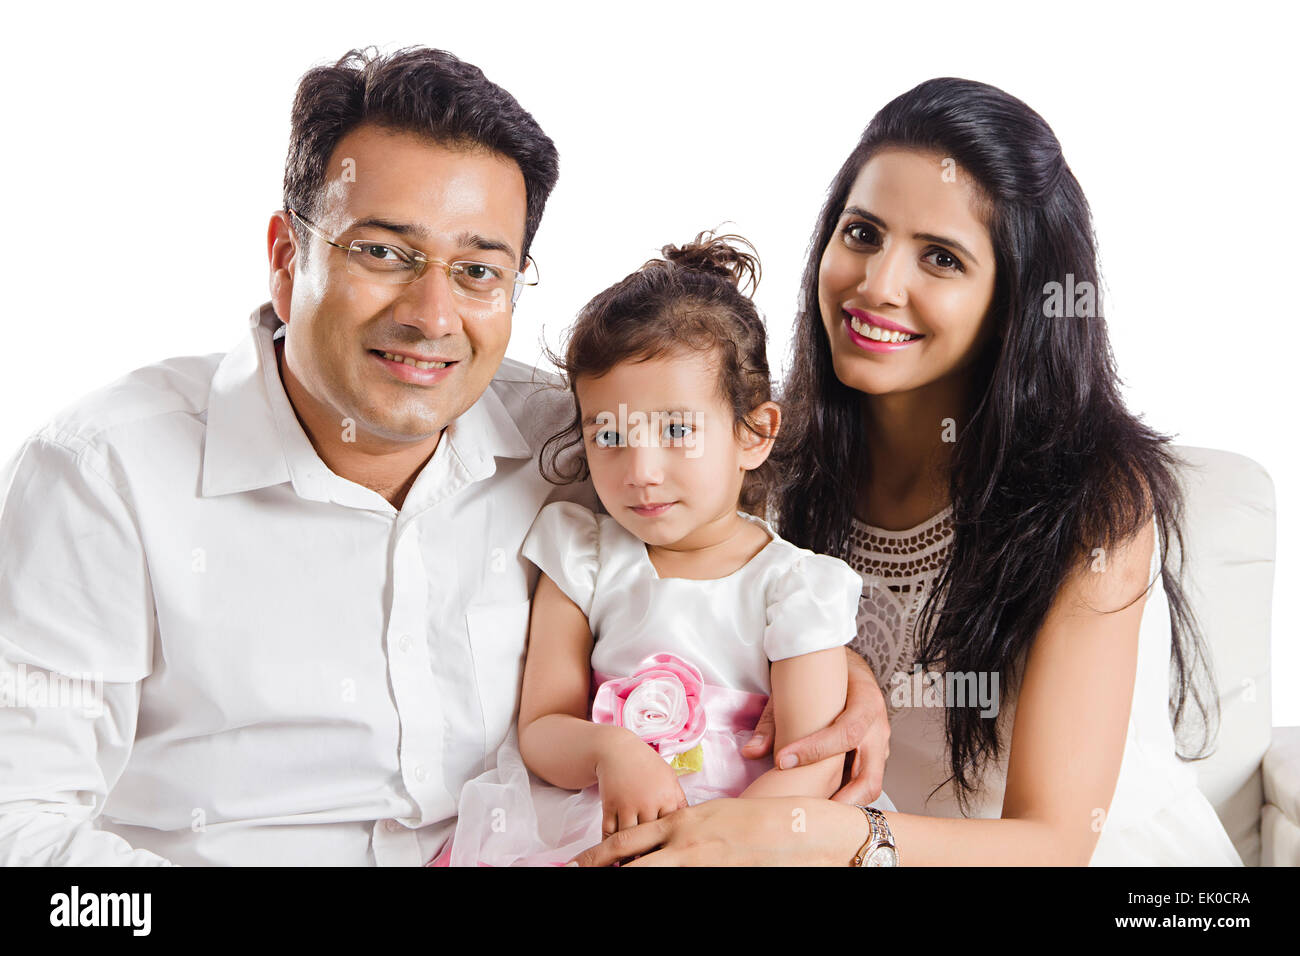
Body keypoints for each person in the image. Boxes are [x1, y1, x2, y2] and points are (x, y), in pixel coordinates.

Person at [0, 48, 886, 866]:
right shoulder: (105, 476)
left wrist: (839, 673)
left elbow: (717, 554)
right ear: (285, 256)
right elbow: (21, 826)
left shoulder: (572, 440)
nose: (432, 316)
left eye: (477, 272)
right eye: (384, 252)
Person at [573, 77, 1243, 866]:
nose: (878, 285)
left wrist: (802, 833)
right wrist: (845, 672)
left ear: (1015, 302)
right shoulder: (763, 451)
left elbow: (1056, 843)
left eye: (941, 258)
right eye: (862, 234)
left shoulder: (1091, 499)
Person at [438, 235, 891, 866]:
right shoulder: (582, 555)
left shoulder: (797, 586)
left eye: (677, 430)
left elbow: (809, 766)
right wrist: (610, 751)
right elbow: (541, 729)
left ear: (754, 433)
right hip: (601, 827)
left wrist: (708, 845)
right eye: (611, 434)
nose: (641, 470)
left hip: (748, 840)